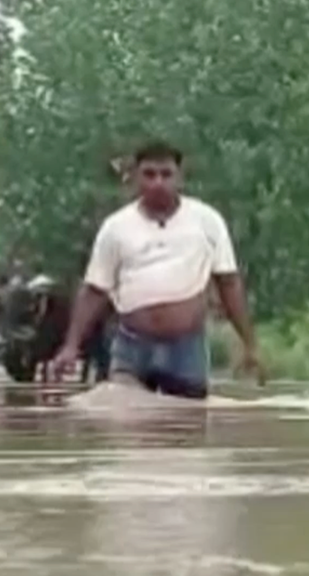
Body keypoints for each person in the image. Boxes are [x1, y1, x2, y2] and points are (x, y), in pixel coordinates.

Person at [51, 140, 263, 398]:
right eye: (149, 175)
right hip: (132, 344)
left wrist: (250, 346)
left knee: (186, 427)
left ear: (180, 178)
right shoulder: (115, 228)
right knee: (125, 424)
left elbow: (229, 283)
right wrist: (71, 347)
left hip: (186, 346)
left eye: (166, 174)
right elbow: (95, 289)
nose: (158, 183)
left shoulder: (207, 221)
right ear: (135, 178)